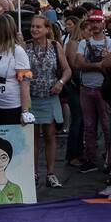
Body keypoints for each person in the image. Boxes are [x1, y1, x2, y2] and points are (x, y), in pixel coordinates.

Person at [25, 13, 69, 189]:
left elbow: (67, 70)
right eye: (33, 26)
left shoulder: (55, 45)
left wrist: (60, 83)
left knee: (50, 135)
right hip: (31, 98)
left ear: (47, 29)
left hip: (50, 96)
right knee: (33, 138)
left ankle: (50, 173)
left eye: (38, 27)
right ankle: (33, 173)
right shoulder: (25, 46)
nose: (34, 29)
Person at [69, 9, 111, 173]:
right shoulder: (83, 43)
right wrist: (100, 65)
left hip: (103, 89)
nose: (95, 25)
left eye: (97, 22)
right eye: (92, 22)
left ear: (103, 23)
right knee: (89, 126)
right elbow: (78, 63)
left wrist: (95, 65)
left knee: (107, 125)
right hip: (87, 88)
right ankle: (91, 157)